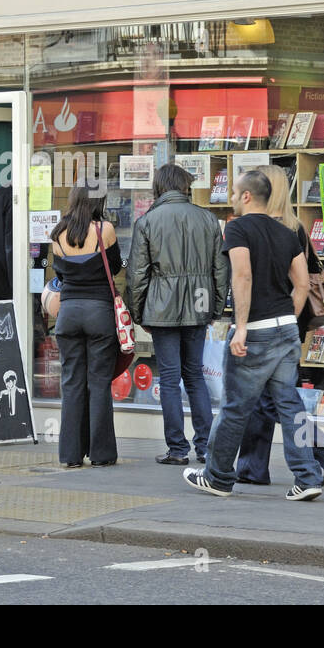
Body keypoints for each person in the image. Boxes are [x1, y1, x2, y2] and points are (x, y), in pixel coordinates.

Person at [182, 169, 324, 501]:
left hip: (254, 330)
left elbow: (242, 276)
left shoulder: (238, 228)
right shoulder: (287, 231)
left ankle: (217, 477)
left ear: (246, 196)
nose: (230, 198)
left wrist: (241, 327)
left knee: (234, 406)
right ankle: (308, 476)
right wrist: (287, 319)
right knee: (287, 404)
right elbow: (301, 283)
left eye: (233, 193)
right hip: (284, 329)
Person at [234, 163, 324, 486]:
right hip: (288, 324)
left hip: (269, 325)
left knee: (272, 399)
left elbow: (256, 277)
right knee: (264, 399)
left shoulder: (267, 229)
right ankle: (252, 467)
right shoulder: (294, 227)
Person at [126, 163, 229, 467]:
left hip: (161, 309)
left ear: (158, 187)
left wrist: (138, 310)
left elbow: (137, 274)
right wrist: (216, 308)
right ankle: (206, 447)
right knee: (194, 375)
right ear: (185, 186)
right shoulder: (208, 219)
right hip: (199, 306)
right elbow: (220, 270)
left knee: (170, 378)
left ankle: (177, 448)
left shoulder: (147, 222)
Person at [50, 183, 121, 468]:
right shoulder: (105, 230)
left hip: (67, 313)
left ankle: (70, 455)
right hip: (99, 312)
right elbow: (115, 267)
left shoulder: (57, 234)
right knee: (99, 382)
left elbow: (60, 273)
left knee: (71, 383)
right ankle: (102, 454)